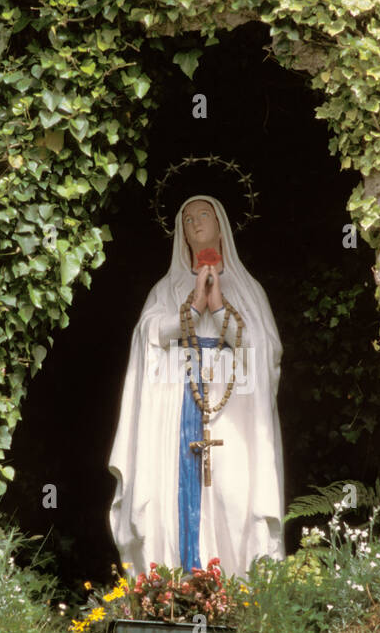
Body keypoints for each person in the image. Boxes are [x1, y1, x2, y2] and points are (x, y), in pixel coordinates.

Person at [108, 194, 285, 580]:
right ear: (180, 236)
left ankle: (234, 584)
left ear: (222, 225)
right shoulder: (166, 288)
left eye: (204, 214)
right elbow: (147, 336)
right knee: (168, 493)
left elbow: (265, 349)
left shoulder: (248, 288)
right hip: (174, 403)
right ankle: (172, 586)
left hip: (232, 408)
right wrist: (188, 313)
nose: (196, 222)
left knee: (233, 492)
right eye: (187, 219)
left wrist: (218, 305)